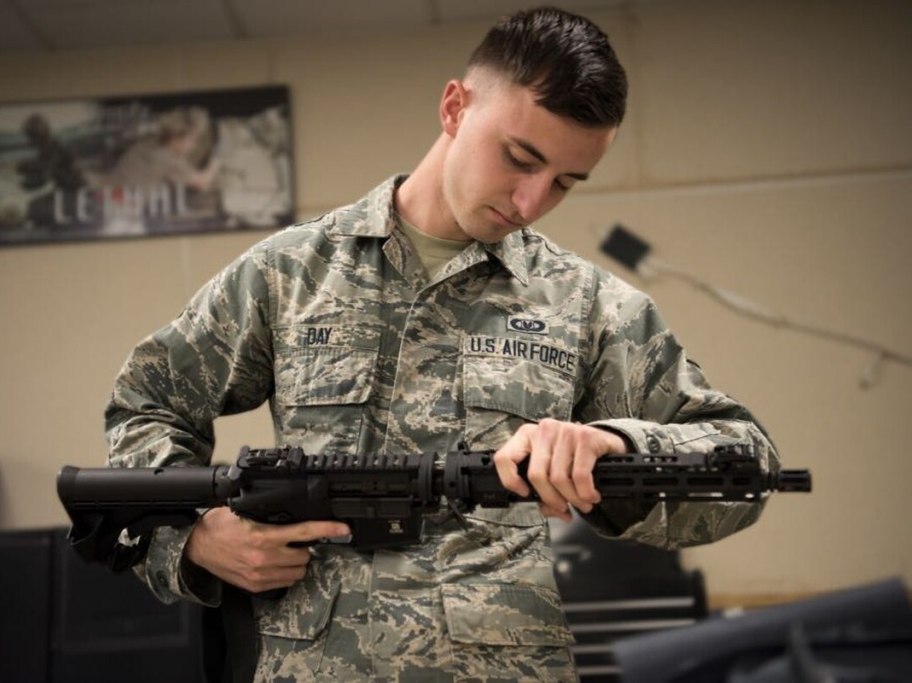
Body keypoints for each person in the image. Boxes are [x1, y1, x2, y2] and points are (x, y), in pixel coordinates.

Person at [105, 6, 780, 682]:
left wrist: (620, 445)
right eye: (520, 157)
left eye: (566, 182)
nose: (531, 199)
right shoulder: (290, 275)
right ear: (455, 107)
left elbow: (747, 465)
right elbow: (146, 404)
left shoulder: (587, 304)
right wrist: (189, 540)